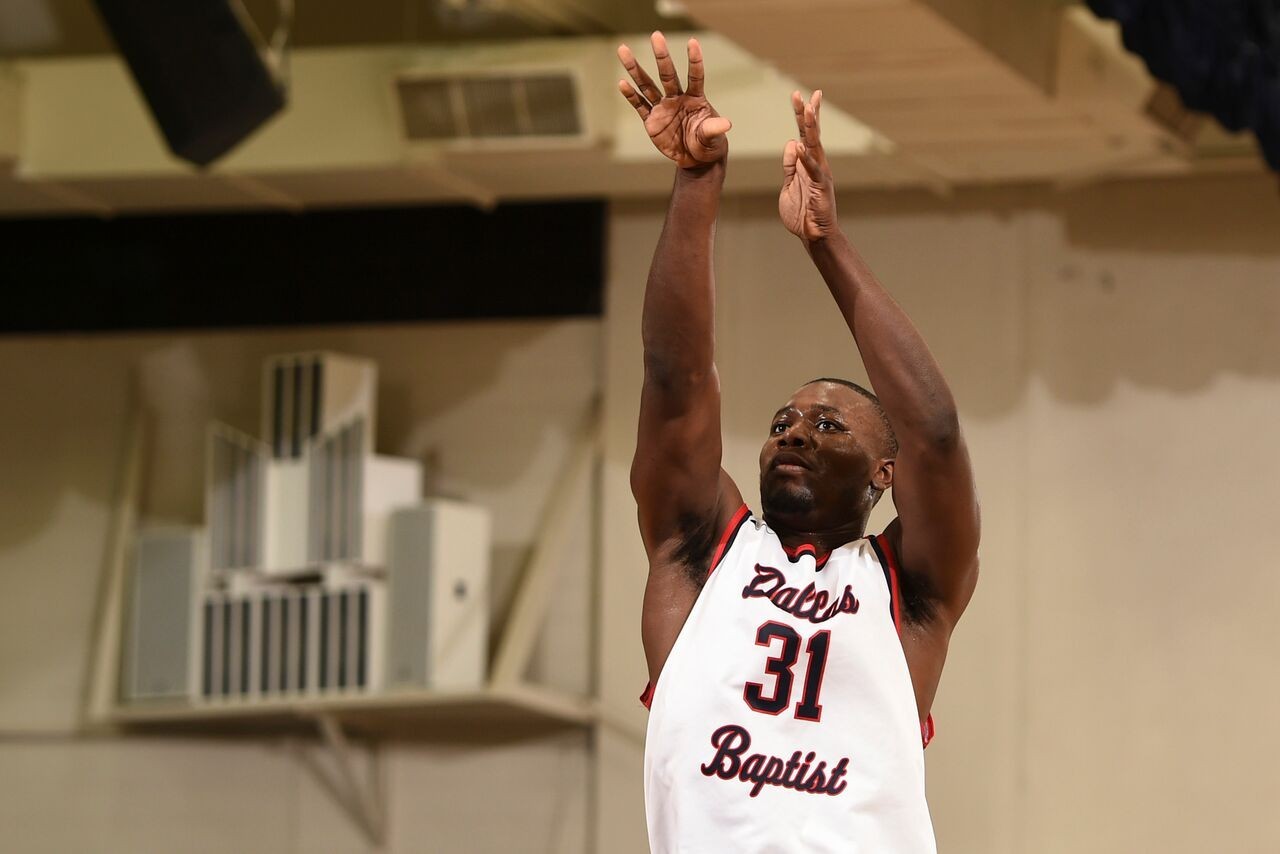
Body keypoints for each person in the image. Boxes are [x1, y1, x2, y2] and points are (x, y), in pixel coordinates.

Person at [619, 32, 981, 853]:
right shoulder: (700, 554)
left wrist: (826, 243)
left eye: (828, 425)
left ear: (883, 474)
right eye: (783, 421)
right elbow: (675, 380)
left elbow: (937, 432)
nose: (794, 431)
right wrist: (696, 182)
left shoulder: (909, 592)